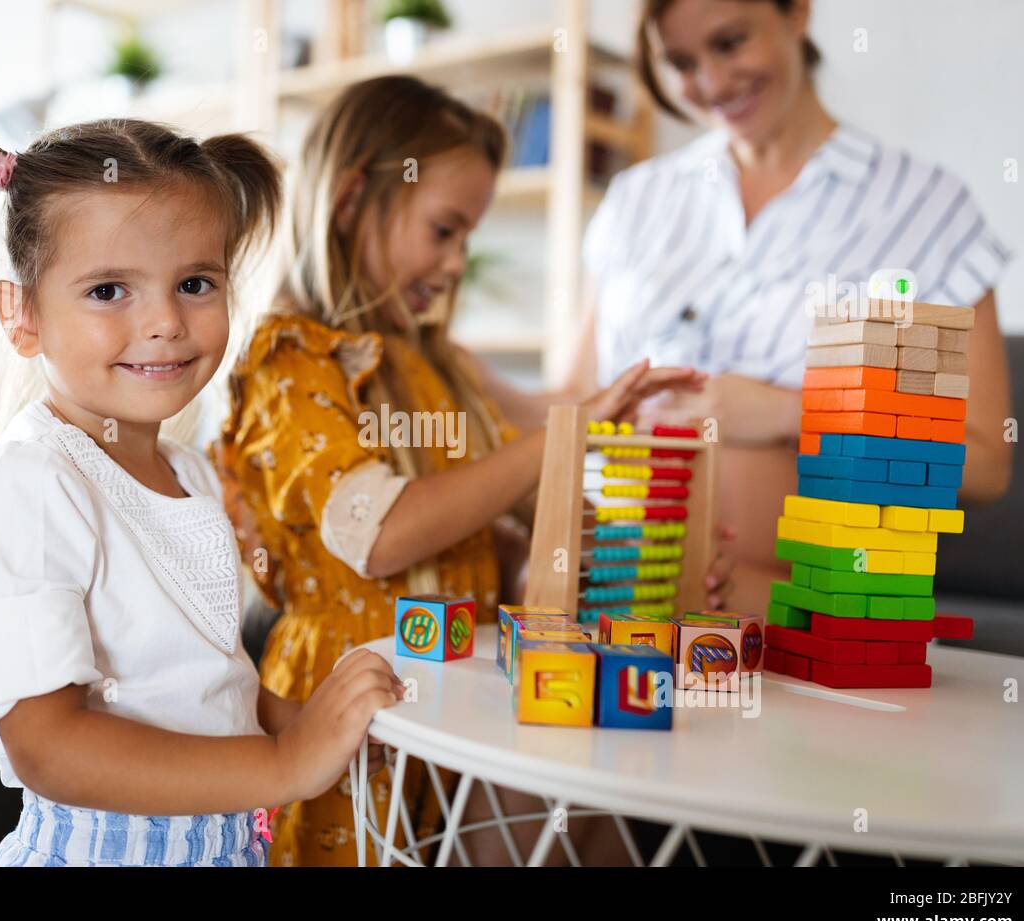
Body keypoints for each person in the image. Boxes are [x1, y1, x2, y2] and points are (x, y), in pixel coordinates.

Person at [215, 75, 720, 866]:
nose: (455, 264)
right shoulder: (293, 360)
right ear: (351, 200)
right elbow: (380, 536)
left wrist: (572, 555)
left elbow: (488, 535)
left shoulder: (439, 366)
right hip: (357, 707)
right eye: (444, 230)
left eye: (467, 241)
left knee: (588, 820)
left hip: (466, 694)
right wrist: (566, 435)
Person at [0, 118, 400, 866]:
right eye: (109, 290)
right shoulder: (29, 485)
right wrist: (284, 765)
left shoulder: (193, 474)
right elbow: (50, 747)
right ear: (20, 315)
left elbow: (209, 686)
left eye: (195, 283)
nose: (167, 323)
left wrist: (306, 724)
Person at [565, 0, 1013, 611]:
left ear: (797, 13)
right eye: (681, 61)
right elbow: (571, 402)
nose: (714, 83)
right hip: (610, 603)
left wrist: (789, 414)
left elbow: (985, 463)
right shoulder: (635, 200)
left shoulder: (925, 209)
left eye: (730, 43)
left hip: (798, 622)